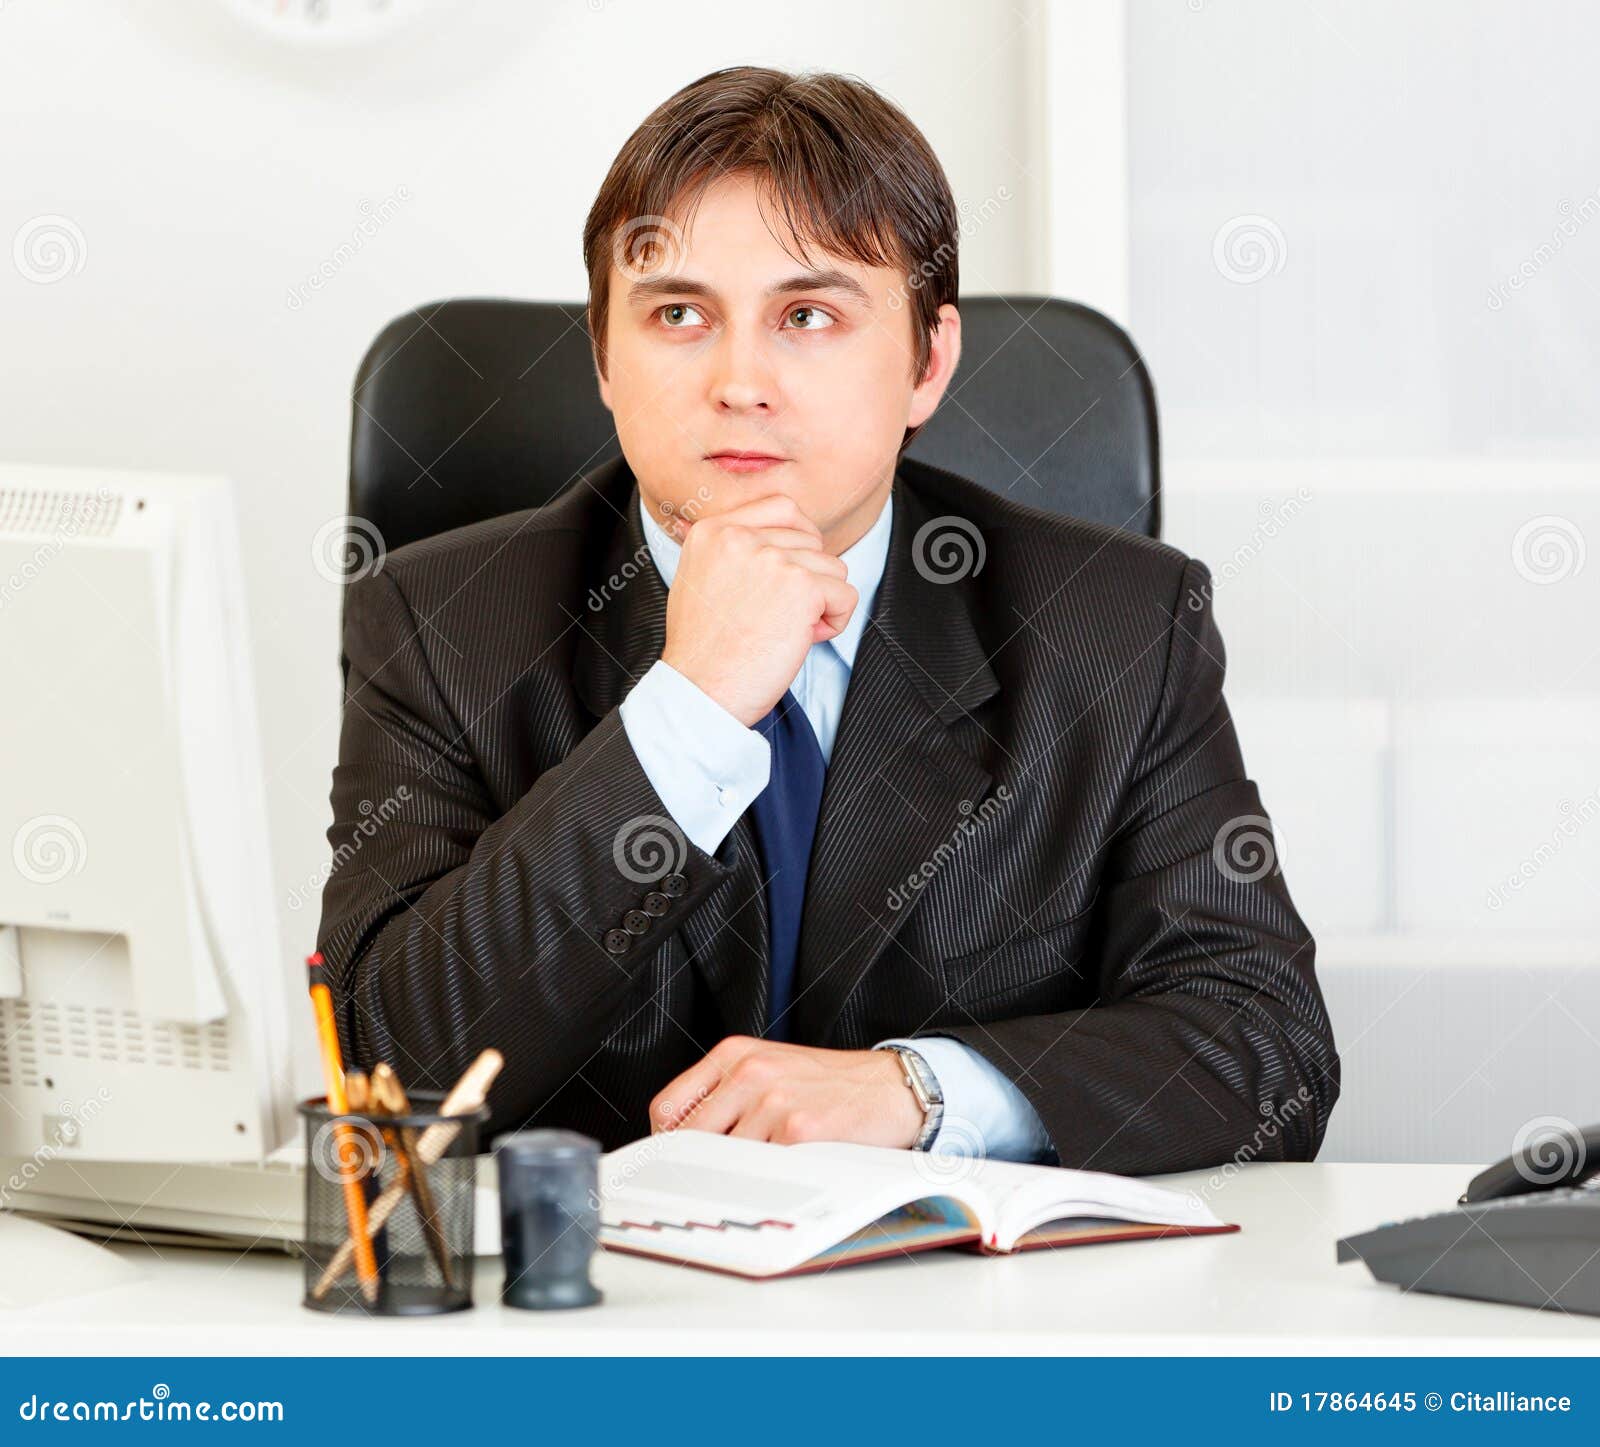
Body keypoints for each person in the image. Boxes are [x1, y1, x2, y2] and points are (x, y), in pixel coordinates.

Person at [316, 65, 1339, 1174]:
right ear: (604, 360)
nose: (740, 380)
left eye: (807, 315)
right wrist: (689, 708)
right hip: (601, 1319)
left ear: (926, 362)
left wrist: (923, 1091)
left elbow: (1264, 1045)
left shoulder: (1118, 625)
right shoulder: (440, 624)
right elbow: (393, 1076)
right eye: (677, 314)